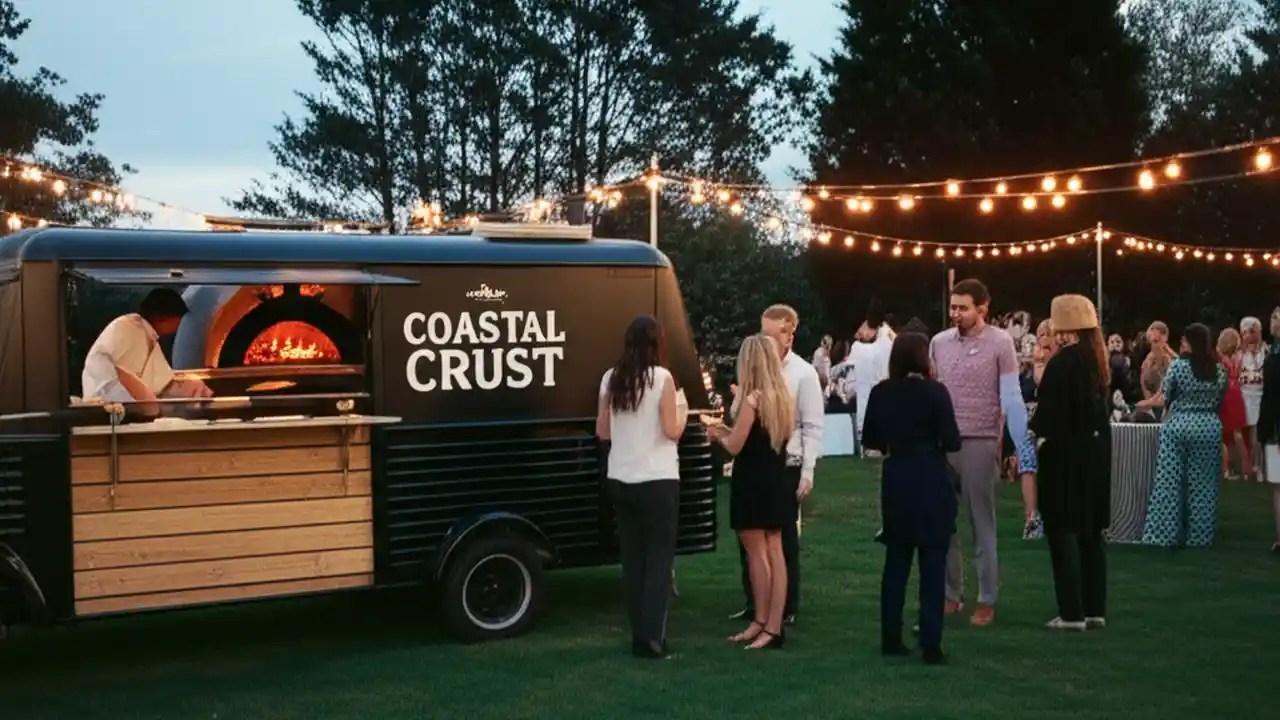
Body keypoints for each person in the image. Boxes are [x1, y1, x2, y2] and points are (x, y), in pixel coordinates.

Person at [929, 278, 1036, 627]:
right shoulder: (939, 343)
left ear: (982, 309)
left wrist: (1021, 446)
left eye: (963, 307)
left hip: (980, 439)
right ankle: (950, 595)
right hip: (942, 443)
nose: (956, 313)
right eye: (953, 307)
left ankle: (986, 598)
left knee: (981, 522)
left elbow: (1010, 396)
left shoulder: (1000, 342)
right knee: (942, 524)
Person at [862, 332, 960, 665]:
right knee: (933, 561)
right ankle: (931, 643)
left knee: (897, 560)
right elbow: (953, 439)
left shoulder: (880, 392)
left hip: (897, 475)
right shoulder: (935, 392)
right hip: (931, 474)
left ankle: (891, 636)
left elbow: (870, 437)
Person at [595, 315, 685, 659]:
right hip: (657, 480)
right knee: (659, 562)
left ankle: (638, 635)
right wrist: (683, 409)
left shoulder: (610, 378)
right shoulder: (662, 378)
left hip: (620, 477)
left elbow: (603, 431)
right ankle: (653, 640)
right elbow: (671, 430)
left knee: (633, 562)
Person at [730, 304, 824, 625]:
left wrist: (808, 472)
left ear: (789, 334)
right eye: (762, 332)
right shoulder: (754, 372)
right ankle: (756, 603)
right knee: (752, 542)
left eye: (771, 334)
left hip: (788, 462)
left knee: (782, 541)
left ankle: (786, 609)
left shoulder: (803, 373)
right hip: (758, 461)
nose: (764, 340)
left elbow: (812, 425)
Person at [1029, 295, 1112, 631]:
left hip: (1064, 457)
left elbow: (1048, 413)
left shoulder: (1063, 363)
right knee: (1091, 533)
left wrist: (1034, 433)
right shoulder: (1097, 361)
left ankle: (1071, 612)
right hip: (1094, 455)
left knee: (1062, 531)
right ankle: (1094, 609)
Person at [708, 334, 795, 650]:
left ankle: (764, 622)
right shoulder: (782, 397)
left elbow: (735, 446)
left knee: (757, 554)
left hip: (752, 483)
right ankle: (771, 626)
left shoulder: (752, 399)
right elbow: (760, 441)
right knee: (775, 551)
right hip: (775, 480)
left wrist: (717, 434)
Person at [1142, 323, 1228, 548]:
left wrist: (1141, 405)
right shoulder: (1219, 371)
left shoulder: (1178, 367)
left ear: (1192, 343)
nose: (1180, 344)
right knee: (1204, 486)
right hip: (1208, 428)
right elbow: (1220, 400)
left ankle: (1163, 535)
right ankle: (1200, 537)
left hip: (1178, 428)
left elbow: (1164, 397)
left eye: (1184, 341)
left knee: (1168, 484)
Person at [80, 288, 212, 408]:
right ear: (162, 317)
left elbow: (161, 381)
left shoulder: (147, 334)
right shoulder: (125, 328)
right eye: (177, 321)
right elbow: (99, 362)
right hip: (109, 406)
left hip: (132, 407)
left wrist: (191, 386)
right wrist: (122, 399)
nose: (177, 327)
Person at [1254, 307, 1280, 552]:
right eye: (1272, 316)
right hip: (1273, 426)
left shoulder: (1273, 356)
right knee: (1277, 481)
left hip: (1275, 424)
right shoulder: (1271, 352)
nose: (1273, 321)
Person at [1217, 328, 1250, 480]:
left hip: (1226, 393)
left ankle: (1225, 470)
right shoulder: (1238, 358)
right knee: (1237, 433)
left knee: (1222, 434)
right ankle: (1246, 469)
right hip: (1236, 392)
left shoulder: (1221, 359)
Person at [1238, 316, 1267, 482]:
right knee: (1242, 433)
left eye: (1252, 330)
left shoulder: (1265, 350)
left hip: (1260, 394)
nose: (1249, 334)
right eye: (1246, 331)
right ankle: (1246, 467)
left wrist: (1257, 338)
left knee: (1256, 433)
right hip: (1243, 394)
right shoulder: (1240, 353)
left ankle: (1258, 466)